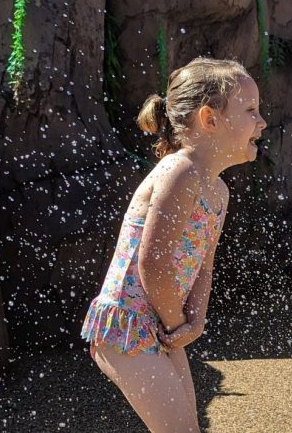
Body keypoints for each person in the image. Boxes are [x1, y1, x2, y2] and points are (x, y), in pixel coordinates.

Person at [81, 58, 266, 432]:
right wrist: (177, 323)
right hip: (128, 324)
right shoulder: (179, 172)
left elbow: (204, 267)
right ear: (209, 119)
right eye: (250, 110)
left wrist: (195, 320)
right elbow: (153, 261)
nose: (261, 122)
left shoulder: (218, 191)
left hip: (162, 324)